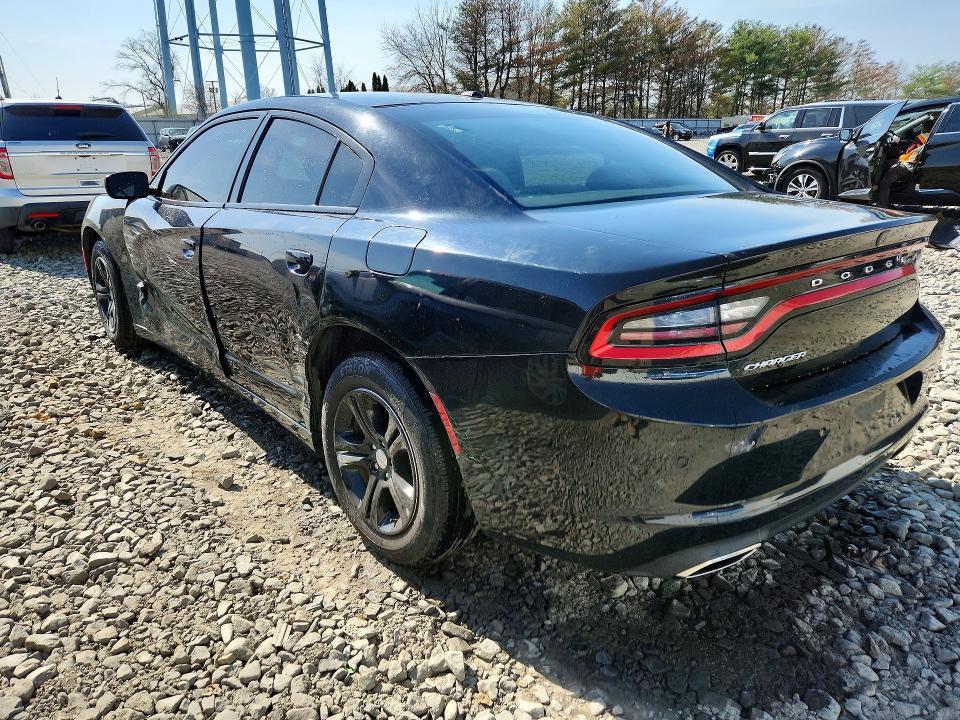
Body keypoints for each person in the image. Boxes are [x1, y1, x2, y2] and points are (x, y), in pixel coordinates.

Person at [874, 129, 928, 208]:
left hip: (908, 163)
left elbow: (909, 148)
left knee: (885, 182)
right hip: (907, 160)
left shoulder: (921, 137)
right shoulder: (926, 137)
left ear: (925, 126)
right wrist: (900, 142)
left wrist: (898, 142)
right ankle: (876, 190)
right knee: (883, 164)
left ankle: (883, 205)